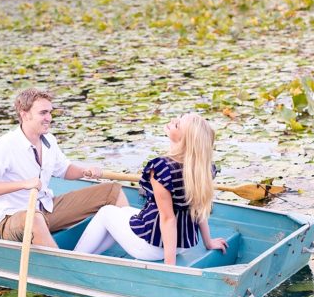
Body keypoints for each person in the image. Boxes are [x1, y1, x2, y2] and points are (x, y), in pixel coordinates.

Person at [0, 87, 128, 247]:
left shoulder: (49, 140)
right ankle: (61, 268)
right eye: (43, 113)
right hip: (13, 219)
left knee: (112, 191)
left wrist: (85, 170)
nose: (49, 118)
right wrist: (23, 184)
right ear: (24, 114)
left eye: (50, 112)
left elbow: (65, 170)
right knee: (34, 218)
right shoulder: (4, 146)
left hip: (46, 208)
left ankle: (134, 249)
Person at [74, 113, 228, 265]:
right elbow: (199, 208)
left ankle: (73, 258)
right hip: (180, 246)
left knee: (106, 212)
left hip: (153, 247)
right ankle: (88, 258)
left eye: (177, 124)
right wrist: (208, 242)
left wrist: (170, 266)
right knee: (125, 211)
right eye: (178, 118)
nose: (173, 119)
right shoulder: (203, 169)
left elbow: (168, 219)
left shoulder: (162, 168)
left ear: (184, 140)